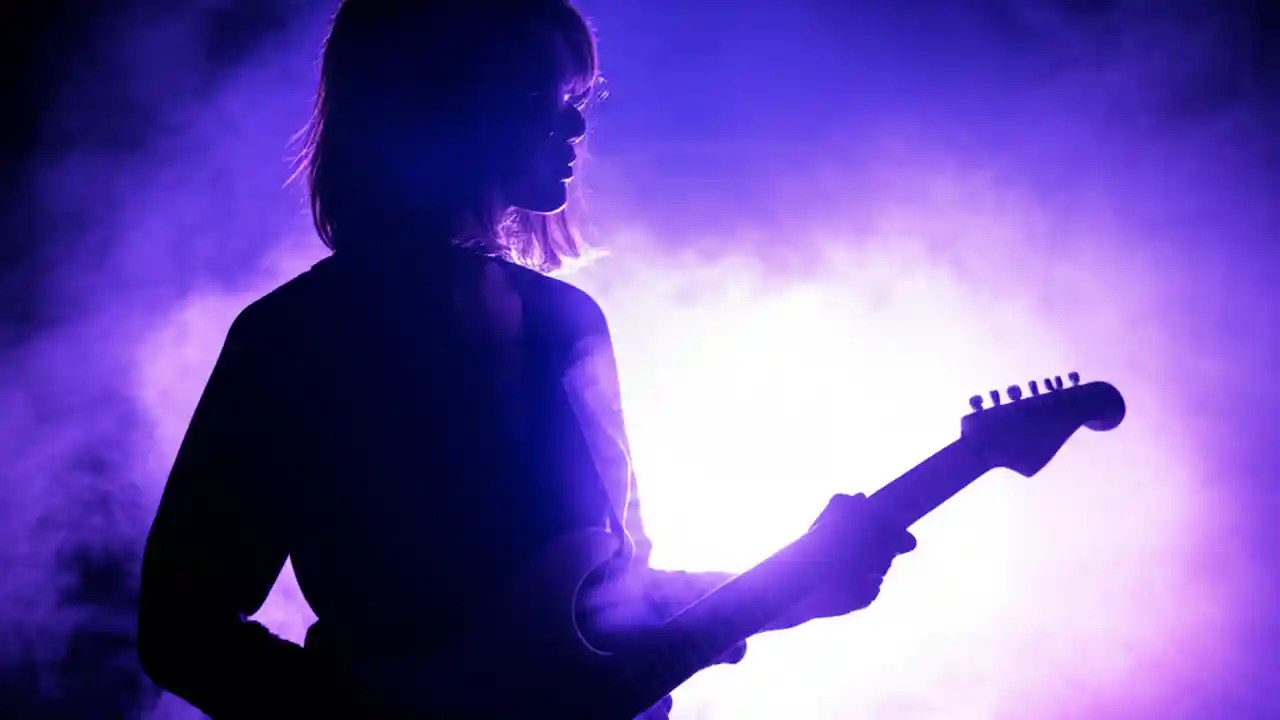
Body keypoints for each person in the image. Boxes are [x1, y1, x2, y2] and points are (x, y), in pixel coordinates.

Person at [137, 1, 917, 717]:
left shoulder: (568, 321)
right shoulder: (296, 339)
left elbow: (611, 603)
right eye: (541, 102)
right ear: (442, 107)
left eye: (578, 104)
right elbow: (179, 627)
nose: (575, 131)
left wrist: (797, 583)